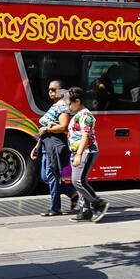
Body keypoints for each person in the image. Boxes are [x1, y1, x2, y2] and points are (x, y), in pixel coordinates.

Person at [65, 87, 108, 222]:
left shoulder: (86, 115)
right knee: (81, 181)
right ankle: (85, 211)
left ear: (77, 101)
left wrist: (78, 154)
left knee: (77, 181)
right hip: (80, 152)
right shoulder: (78, 115)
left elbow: (85, 135)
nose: (68, 107)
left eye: (69, 103)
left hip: (86, 152)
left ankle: (99, 203)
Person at [33, 84, 76, 216]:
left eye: (53, 89)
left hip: (55, 145)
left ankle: (55, 207)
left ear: (61, 91)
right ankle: (72, 193)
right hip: (47, 145)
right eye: (49, 89)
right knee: (45, 177)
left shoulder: (62, 106)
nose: (50, 92)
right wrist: (37, 147)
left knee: (52, 176)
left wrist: (46, 129)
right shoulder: (54, 105)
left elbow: (64, 127)